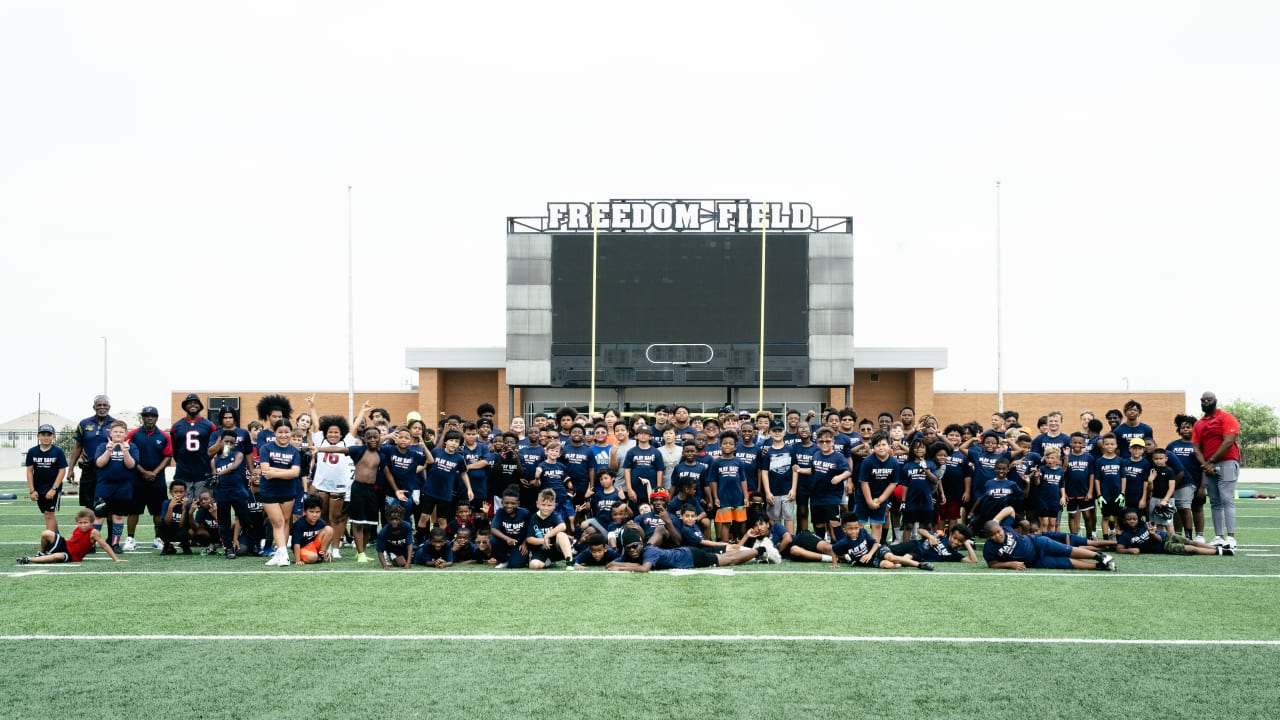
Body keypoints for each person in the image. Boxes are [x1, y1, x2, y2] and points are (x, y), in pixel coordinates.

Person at [315, 427, 385, 562]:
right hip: (358, 488)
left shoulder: (381, 454)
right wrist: (320, 449)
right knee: (358, 523)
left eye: (375, 437)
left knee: (369, 523)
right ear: (364, 438)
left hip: (373, 491)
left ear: (379, 438)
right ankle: (360, 553)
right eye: (369, 437)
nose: (372, 439)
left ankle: (362, 552)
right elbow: (339, 449)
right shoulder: (358, 450)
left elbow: (386, 471)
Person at [983, 507, 1116, 571]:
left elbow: (1010, 509)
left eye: (998, 531)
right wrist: (1010, 564)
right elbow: (992, 564)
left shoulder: (1005, 526)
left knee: (1067, 550)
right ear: (988, 537)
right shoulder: (989, 548)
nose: (997, 535)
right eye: (992, 535)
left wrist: (995, 520)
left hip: (1037, 543)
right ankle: (1100, 567)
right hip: (1034, 561)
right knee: (1066, 563)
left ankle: (1099, 556)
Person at [1193, 391, 1241, 549]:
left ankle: (1231, 537)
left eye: (1209, 399)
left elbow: (1228, 441)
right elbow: (1196, 447)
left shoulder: (1226, 417)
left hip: (1226, 462)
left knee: (1227, 500)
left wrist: (1211, 461)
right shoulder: (1199, 424)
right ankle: (1219, 536)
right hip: (1209, 466)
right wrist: (1206, 465)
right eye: (1203, 400)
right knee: (1215, 502)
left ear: (1215, 401)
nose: (1206, 402)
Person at [606, 527, 763, 572]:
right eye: (629, 548)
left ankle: (760, 551)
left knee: (729, 560)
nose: (633, 551)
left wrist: (619, 567)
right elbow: (609, 564)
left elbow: (644, 569)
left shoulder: (649, 551)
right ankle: (755, 550)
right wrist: (614, 564)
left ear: (641, 544)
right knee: (726, 556)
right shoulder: (629, 553)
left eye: (635, 546)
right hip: (685, 554)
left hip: (690, 557)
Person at [125, 406, 172, 552]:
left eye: (152, 415)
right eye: (146, 415)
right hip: (136, 479)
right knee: (134, 511)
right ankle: (130, 539)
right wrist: (143, 471)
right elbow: (127, 453)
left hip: (157, 480)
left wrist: (154, 473)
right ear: (142, 417)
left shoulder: (164, 436)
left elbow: (168, 457)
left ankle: (158, 538)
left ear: (156, 418)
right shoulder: (133, 434)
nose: (149, 418)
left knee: (158, 512)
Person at [258, 419, 303, 566]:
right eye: (280, 432)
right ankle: (284, 555)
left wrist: (275, 472)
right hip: (269, 491)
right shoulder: (266, 448)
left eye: (286, 432)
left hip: (288, 490)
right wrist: (287, 472)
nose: (284, 435)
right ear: (275, 433)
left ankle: (279, 554)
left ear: (291, 432)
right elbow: (265, 470)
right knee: (277, 522)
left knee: (284, 521)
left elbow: (295, 473)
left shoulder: (294, 451)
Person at [16, 508, 125, 565]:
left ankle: (29, 559)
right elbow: (73, 540)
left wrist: (115, 559)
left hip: (73, 556)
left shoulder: (94, 532)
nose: (83, 525)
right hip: (65, 545)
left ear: (91, 522)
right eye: (80, 523)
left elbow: (105, 545)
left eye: (86, 522)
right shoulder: (77, 528)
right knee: (46, 533)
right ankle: (41, 553)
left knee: (57, 556)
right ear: (77, 522)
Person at [830, 513, 934, 570]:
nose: (854, 531)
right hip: (869, 562)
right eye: (850, 529)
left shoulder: (862, 532)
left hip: (876, 551)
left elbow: (875, 543)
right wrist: (834, 563)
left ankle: (919, 565)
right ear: (844, 530)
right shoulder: (843, 542)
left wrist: (869, 554)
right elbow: (833, 550)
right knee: (887, 565)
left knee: (891, 557)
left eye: (856, 528)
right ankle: (901, 563)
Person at [94, 419, 139, 553]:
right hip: (104, 486)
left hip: (123, 486)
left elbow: (131, 465)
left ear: (126, 434)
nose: (118, 434)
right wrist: (108, 451)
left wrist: (126, 451)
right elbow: (99, 464)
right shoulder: (102, 446)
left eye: (121, 432)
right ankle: (92, 543)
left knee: (118, 516)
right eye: (115, 431)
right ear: (110, 433)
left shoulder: (132, 446)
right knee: (99, 515)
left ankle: (115, 544)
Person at [210, 428, 254, 558]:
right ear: (221, 441)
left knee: (245, 521)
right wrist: (213, 480)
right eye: (226, 441)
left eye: (231, 442)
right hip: (222, 493)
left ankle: (252, 547)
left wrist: (217, 474)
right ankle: (228, 548)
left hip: (238, 492)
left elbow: (234, 466)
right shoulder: (214, 460)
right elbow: (213, 477)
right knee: (224, 523)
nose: (228, 444)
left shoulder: (238, 454)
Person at [66, 395, 115, 511]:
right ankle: (92, 530)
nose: (102, 407)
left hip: (108, 470)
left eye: (105, 405)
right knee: (89, 507)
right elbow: (78, 447)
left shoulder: (116, 424)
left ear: (109, 407)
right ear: (94, 407)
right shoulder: (83, 423)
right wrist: (71, 469)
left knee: (110, 507)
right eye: (99, 405)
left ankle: (110, 530)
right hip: (89, 470)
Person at [1114, 509, 1233, 556]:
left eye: (1134, 519)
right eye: (1128, 519)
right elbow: (1119, 549)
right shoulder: (1126, 535)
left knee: (1191, 542)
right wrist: (1130, 550)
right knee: (1190, 549)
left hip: (1165, 537)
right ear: (1123, 521)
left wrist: (1152, 533)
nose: (1132, 521)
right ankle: (1219, 552)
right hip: (1163, 547)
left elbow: (1159, 538)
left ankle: (1214, 547)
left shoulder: (1145, 525)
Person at [707, 431, 751, 543]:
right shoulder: (716, 462)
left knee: (739, 521)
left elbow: (743, 480)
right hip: (723, 498)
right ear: (720, 446)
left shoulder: (739, 462)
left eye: (730, 444)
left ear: (735, 447)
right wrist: (716, 497)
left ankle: (736, 542)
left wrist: (746, 497)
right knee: (726, 523)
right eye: (725, 443)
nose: (727, 445)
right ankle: (725, 546)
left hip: (738, 497)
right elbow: (713, 481)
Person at [853, 431, 896, 544]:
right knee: (859, 524)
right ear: (873, 447)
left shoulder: (894, 462)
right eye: (877, 445)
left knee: (877, 525)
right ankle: (858, 547)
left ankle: (874, 550)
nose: (881, 448)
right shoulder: (868, 462)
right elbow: (864, 482)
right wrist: (869, 502)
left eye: (883, 444)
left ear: (889, 446)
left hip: (880, 498)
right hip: (863, 498)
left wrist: (880, 500)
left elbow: (892, 484)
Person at [170, 393, 216, 499]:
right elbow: (175, 450)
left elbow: (213, 450)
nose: (192, 405)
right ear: (185, 406)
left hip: (203, 472)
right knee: (183, 507)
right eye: (189, 403)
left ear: (200, 406)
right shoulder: (176, 426)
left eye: (195, 402)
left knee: (205, 507)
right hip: (183, 473)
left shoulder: (209, 425)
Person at [25, 424, 67, 533]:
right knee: (47, 514)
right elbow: (29, 471)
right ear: (38, 436)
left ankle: (52, 542)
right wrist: (32, 490)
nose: (46, 437)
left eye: (49, 435)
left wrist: (54, 489)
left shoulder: (58, 451)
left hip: (52, 487)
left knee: (49, 514)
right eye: (43, 434)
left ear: (53, 437)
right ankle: (57, 538)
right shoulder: (32, 451)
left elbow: (62, 470)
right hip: (38, 488)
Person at [758, 421, 796, 533]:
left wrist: (793, 489)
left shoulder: (790, 449)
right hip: (773, 491)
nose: (777, 433)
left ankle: (790, 542)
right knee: (774, 519)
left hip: (787, 491)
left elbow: (795, 470)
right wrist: (767, 492)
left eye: (780, 430)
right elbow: (764, 472)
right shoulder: (768, 452)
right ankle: (776, 542)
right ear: (770, 433)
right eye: (775, 431)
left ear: (784, 432)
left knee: (789, 517)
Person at [526, 488, 575, 568]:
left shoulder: (555, 515)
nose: (546, 508)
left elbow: (563, 526)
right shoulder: (533, 518)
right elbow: (529, 538)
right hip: (541, 550)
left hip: (556, 548)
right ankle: (548, 561)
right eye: (543, 504)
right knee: (534, 565)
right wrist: (543, 540)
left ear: (554, 506)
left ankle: (569, 560)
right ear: (537, 504)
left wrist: (547, 535)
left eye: (549, 505)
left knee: (561, 534)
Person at [290, 495, 333, 565]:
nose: (314, 515)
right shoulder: (299, 524)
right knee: (312, 557)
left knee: (329, 529)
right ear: (305, 512)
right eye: (311, 512)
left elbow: (327, 537)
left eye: (317, 512)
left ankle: (321, 554)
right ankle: (314, 557)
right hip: (303, 548)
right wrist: (297, 560)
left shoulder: (321, 522)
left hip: (315, 546)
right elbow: (296, 544)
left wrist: (328, 550)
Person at [376, 504, 414, 569]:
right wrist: (385, 566)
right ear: (387, 519)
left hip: (403, 548)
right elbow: (379, 551)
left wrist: (408, 563)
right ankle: (388, 556)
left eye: (397, 519)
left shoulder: (407, 526)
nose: (394, 522)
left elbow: (409, 544)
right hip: (392, 549)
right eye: (392, 519)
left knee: (415, 559)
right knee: (401, 563)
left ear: (402, 518)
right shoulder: (383, 531)